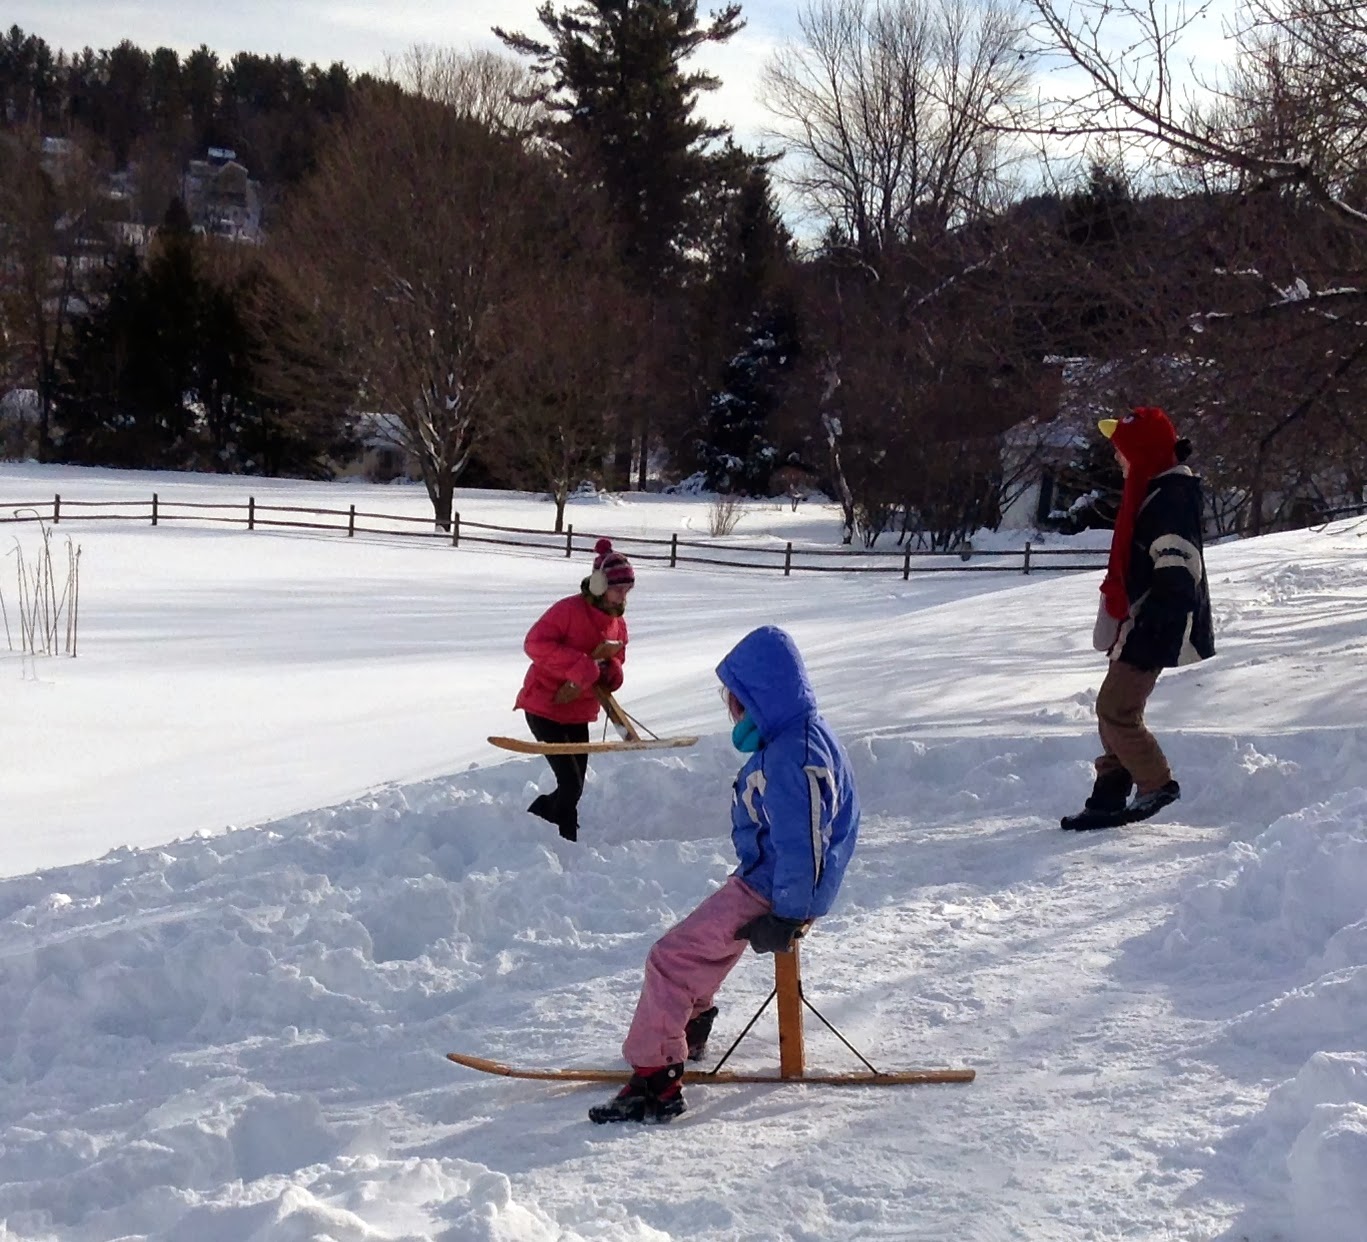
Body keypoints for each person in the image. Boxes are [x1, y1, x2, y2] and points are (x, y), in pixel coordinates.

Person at [589, 625, 861, 1124]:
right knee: (700, 948)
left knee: (670, 958)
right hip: (771, 881)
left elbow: (804, 840)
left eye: (736, 702)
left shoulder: (794, 754)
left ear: (761, 698)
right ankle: (688, 1027)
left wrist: (790, 912)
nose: (733, 712)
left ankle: (656, 1078)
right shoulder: (796, 738)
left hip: (773, 889)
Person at [1062, 406, 1215, 831]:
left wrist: (1155, 624)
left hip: (1154, 624)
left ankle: (1157, 783)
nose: (1117, 458)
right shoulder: (1152, 490)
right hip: (1139, 620)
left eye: (1122, 450)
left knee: (1116, 708)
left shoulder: (1171, 499)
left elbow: (1178, 569)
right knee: (1112, 708)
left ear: (1143, 454)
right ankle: (1108, 795)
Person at [515, 537, 634, 842]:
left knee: (575, 786)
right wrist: (578, 664)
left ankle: (539, 820)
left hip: (579, 711)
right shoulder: (568, 610)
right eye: (618, 589)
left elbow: (618, 657)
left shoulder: (618, 623)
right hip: (545, 706)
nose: (623, 597)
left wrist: (612, 671)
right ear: (598, 584)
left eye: (627, 590)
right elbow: (534, 644)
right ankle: (565, 839)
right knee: (569, 783)